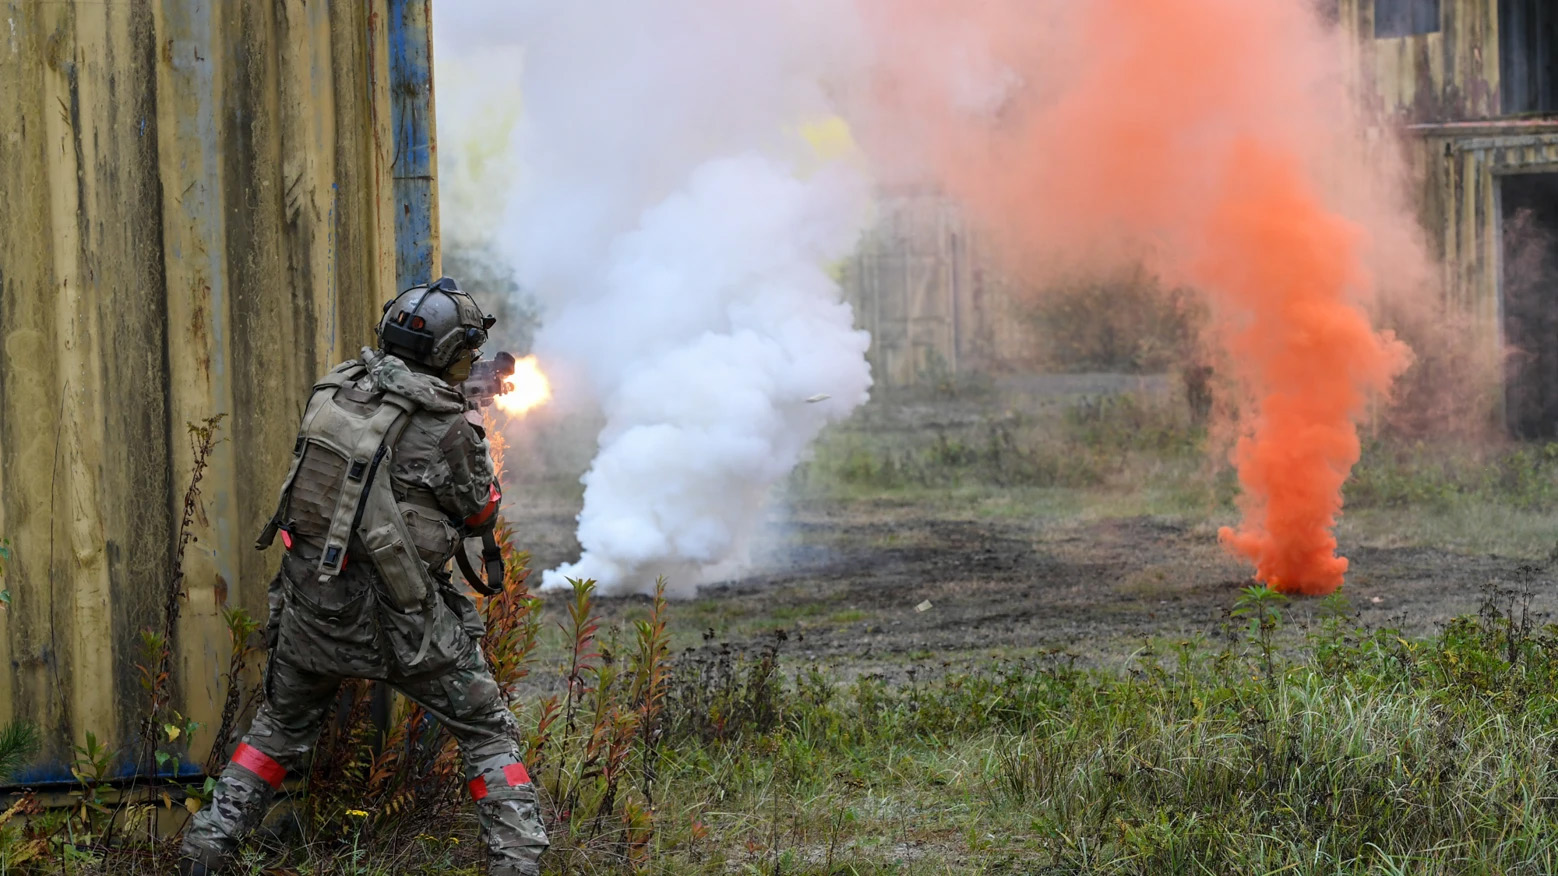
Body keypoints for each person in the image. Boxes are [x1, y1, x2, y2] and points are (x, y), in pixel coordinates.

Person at [179, 278, 549, 876]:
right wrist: (470, 432)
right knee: (485, 731)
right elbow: (480, 511)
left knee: (277, 728)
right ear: (451, 355)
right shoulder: (450, 425)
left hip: (314, 604)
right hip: (406, 624)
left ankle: (206, 847)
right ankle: (517, 863)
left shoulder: (334, 389)